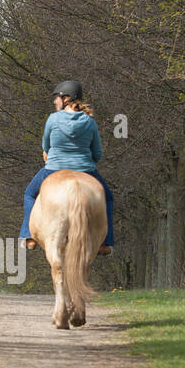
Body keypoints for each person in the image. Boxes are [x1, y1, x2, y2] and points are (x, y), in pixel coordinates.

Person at [19, 80, 115, 254]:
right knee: (108, 198)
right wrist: (86, 161)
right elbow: (98, 153)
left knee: (29, 194)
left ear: (66, 98)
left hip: (54, 168)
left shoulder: (53, 119)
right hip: (86, 170)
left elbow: (45, 146)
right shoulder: (89, 122)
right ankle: (105, 243)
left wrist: (52, 156)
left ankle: (28, 236)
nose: (55, 102)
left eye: (57, 98)